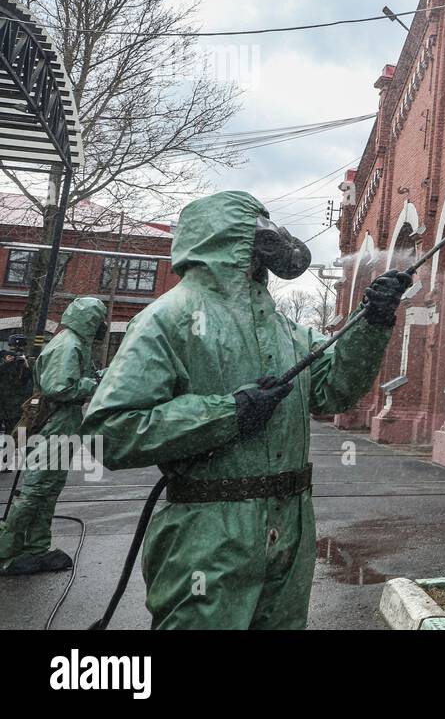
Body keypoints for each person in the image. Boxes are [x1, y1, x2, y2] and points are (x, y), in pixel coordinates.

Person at [83, 190, 409, 629]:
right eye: (259, 239)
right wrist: (228, 413)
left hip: (290, 533)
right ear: (226, 242)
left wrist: (372, 324)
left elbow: (334, 393)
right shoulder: (170, 318)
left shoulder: (284, 328)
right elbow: (110, 432)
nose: (268, 252)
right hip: (208, 536)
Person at [0, 298, 107, 575]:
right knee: (37, 489)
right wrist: (95, 383)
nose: (103, 327)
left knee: (48, 488)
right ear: (89, 320)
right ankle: (7, 553)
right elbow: (59, 388)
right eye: (100, 320)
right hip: (56, 424)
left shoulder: (73, 344)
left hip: (63, 424)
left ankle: (36, 548)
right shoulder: (68, 345)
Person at [0, 333, 34, 438]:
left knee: (16, 434)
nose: (16, 350)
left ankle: (10, 453)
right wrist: (5, 364)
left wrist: (27, 366)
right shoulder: (2, 358)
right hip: (3, 403)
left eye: (20, 348)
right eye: (13, 348)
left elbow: (32, 380)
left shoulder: (28, 360)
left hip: (18, 405)